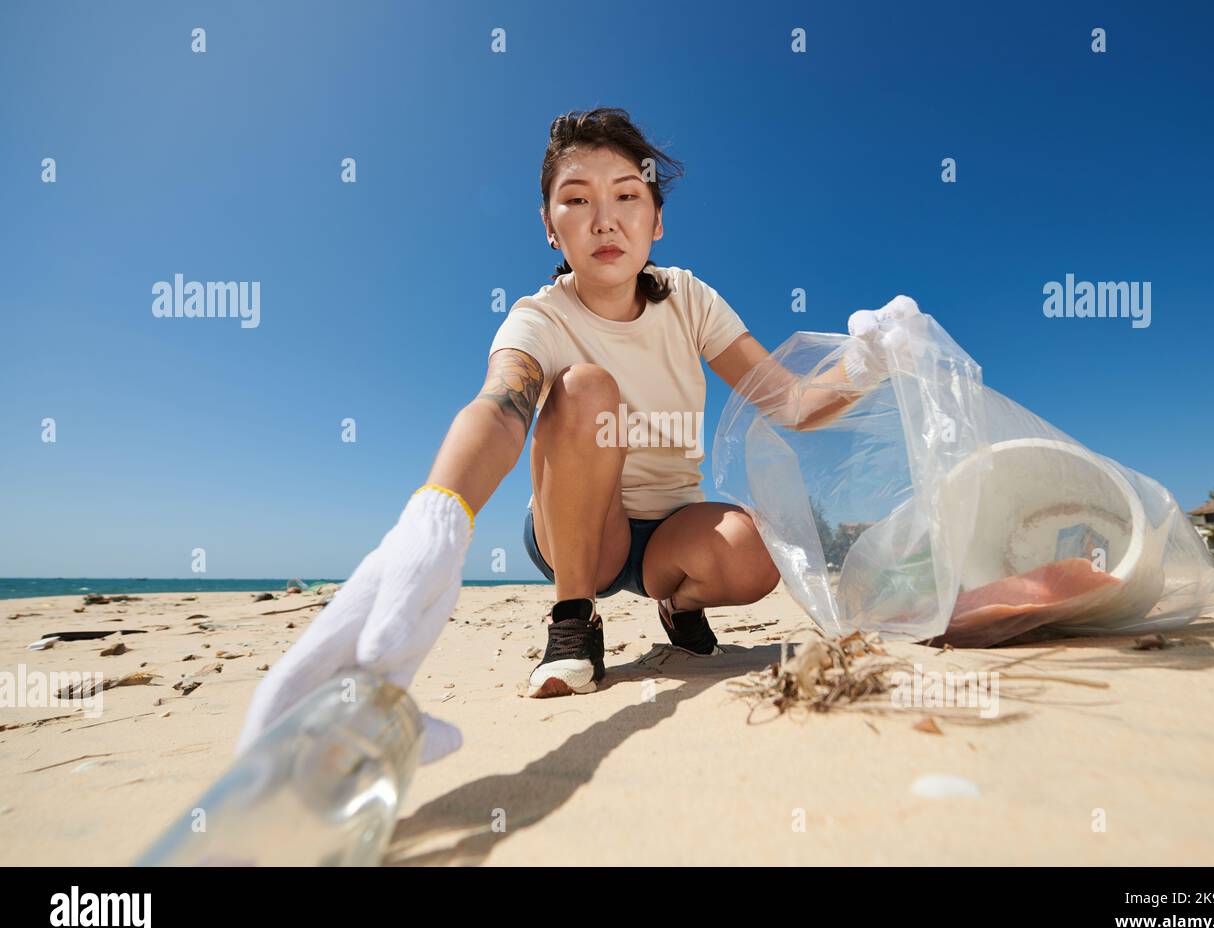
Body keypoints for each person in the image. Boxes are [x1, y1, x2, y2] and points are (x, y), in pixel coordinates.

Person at [236, 107, 918, 765]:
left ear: (656, 221)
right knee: (586, 387)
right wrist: (438, 516)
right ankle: (573, 621)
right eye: (576, 199)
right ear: (549, 228)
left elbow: (790, 401)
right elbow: (500, 406)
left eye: (627, 195)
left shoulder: (689, 298)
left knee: (752, 553)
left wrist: (866, 363)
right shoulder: (541, 318)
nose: (604, 219)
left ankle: (677, 610)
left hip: (668, 531)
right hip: (580, 536)